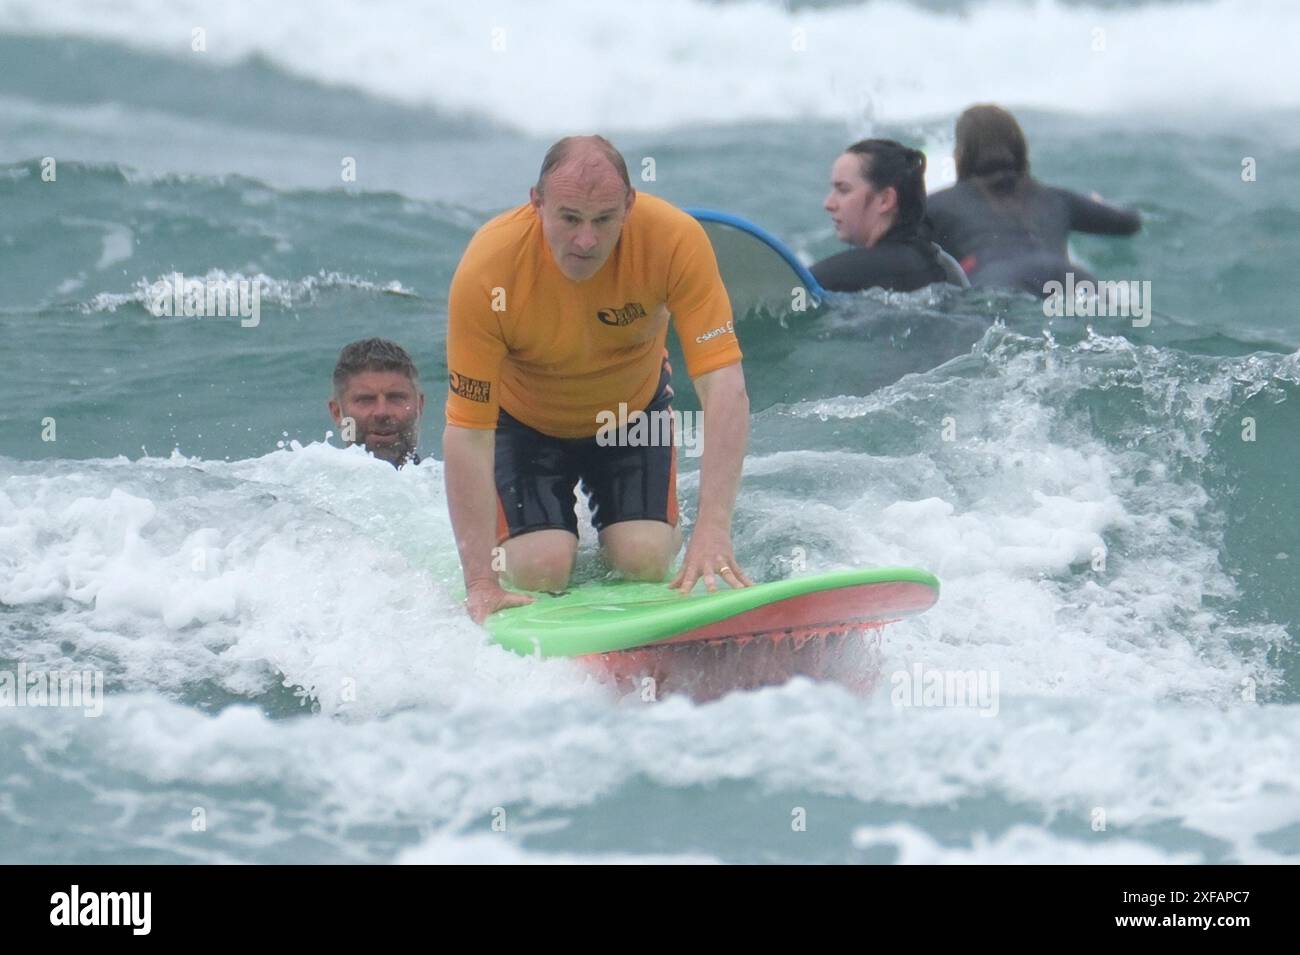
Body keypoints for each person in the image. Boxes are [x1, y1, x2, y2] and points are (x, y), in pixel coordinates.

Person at [443, 135, 755, 624]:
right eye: (569, 218)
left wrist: (713, 532)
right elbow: (468, 433)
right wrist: (480, 582)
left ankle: (629, 529)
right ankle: (545, 537)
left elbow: (726, 388)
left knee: (646, 562)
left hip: (631, 415)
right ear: (537, 203)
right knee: (540, 569)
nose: (586, 240)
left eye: (604, 219)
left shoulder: (673, 239)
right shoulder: (489, 267)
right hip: (525, 422)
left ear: (629, 206)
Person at [926, 104, 1141, 294]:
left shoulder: (939, 206)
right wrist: (1098, 205)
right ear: (1021, 150)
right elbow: (1130, 223)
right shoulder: (1057, 198)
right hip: (1073, 278)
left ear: (960, 155)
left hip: (999, 283)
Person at [811, 139, 967, 293]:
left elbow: (796, 292)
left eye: (843, 190)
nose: (828, 203)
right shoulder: (948, 266)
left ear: (885, 200)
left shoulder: (847, 274)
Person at [328, 338, 425, 468]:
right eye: (365, 400)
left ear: (419, 406)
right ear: (337, 412)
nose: (382, 412)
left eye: (396, 397)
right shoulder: (305, 486)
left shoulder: (448, 485)